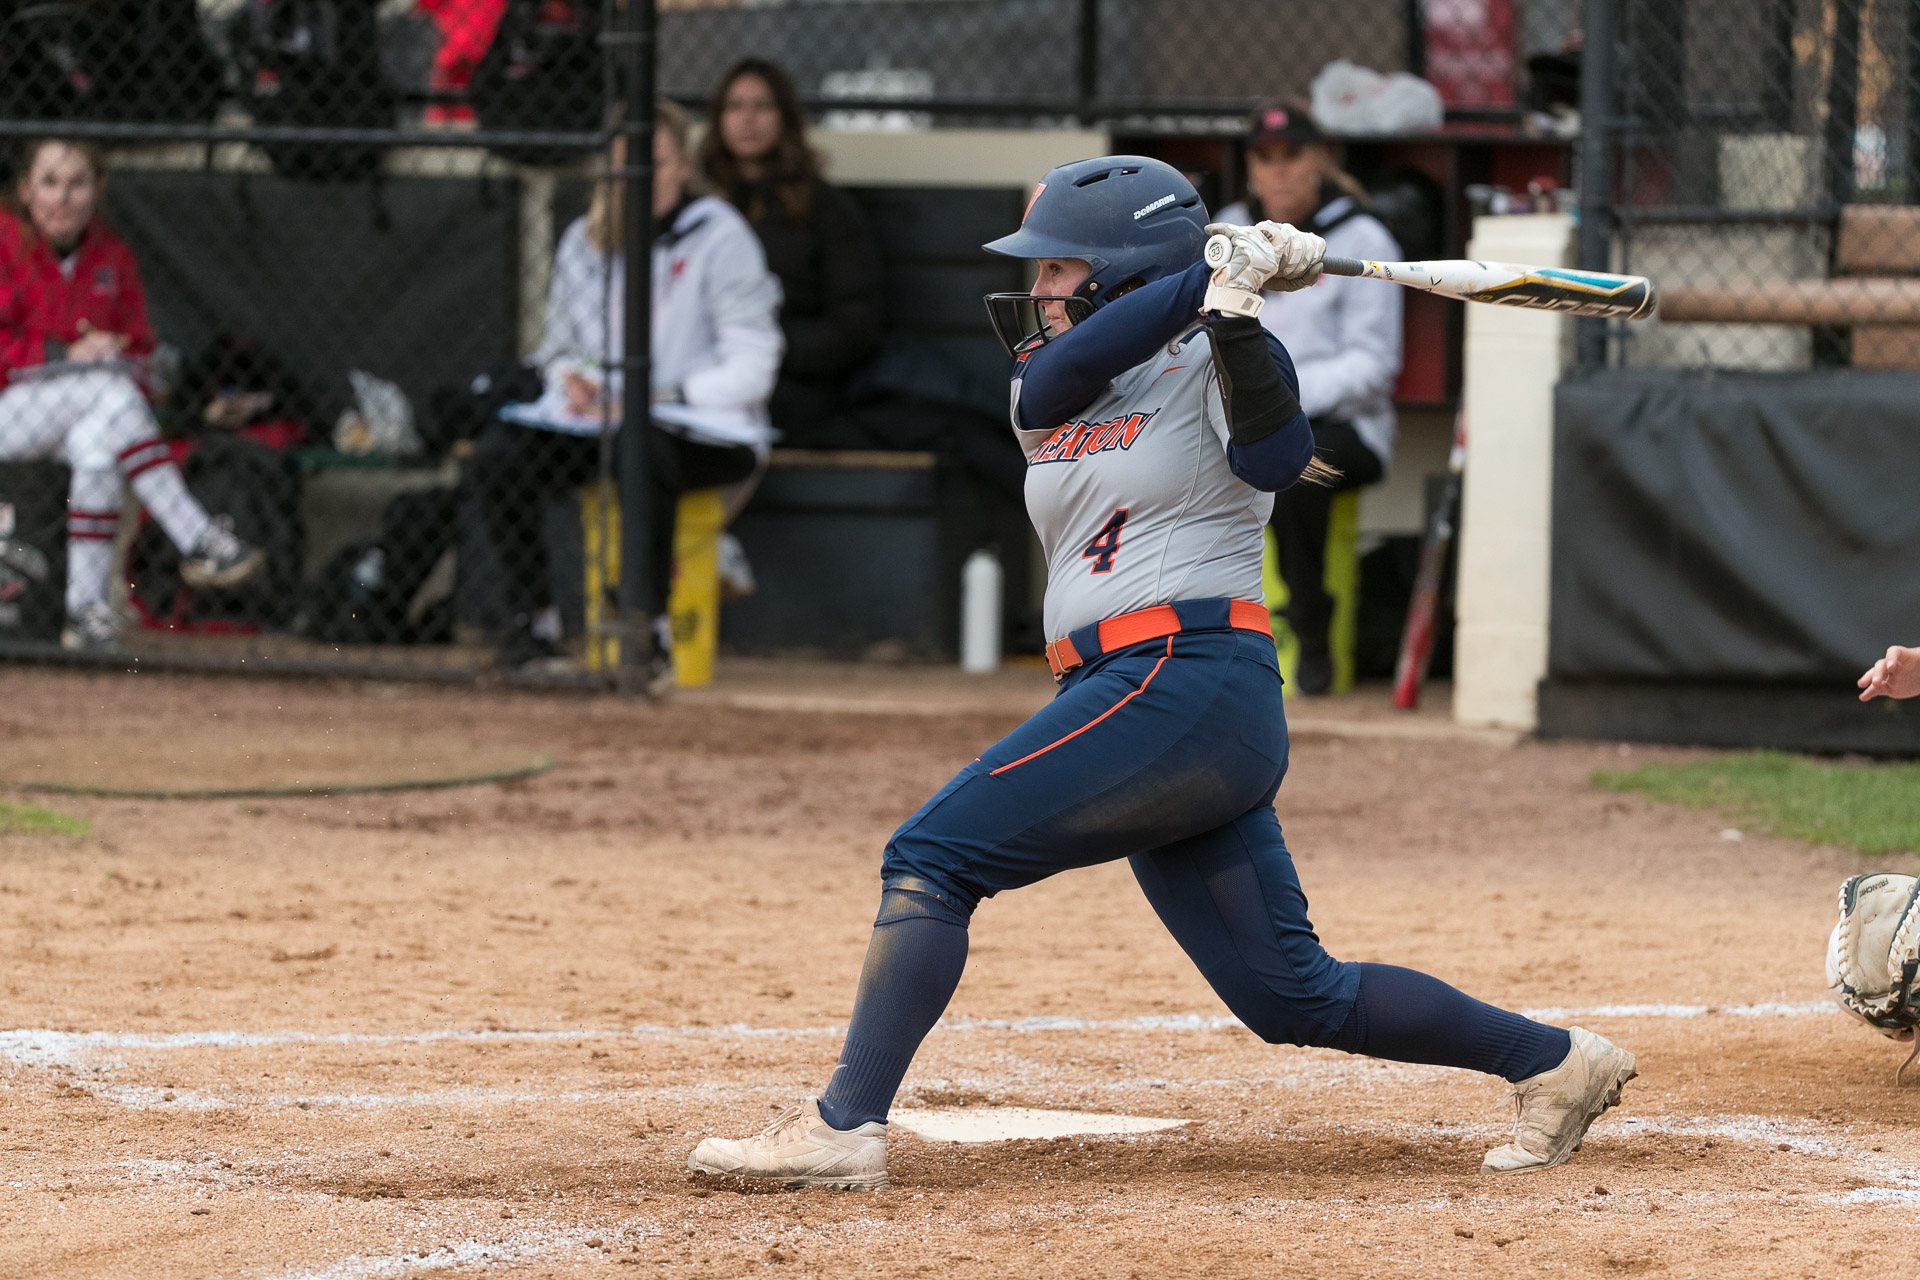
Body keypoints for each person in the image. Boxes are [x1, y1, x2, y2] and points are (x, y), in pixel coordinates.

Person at [685, 156, 1636, 1190]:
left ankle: (843, 1125)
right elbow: (1048, 381)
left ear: (1115, 273)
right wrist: (1211, 273)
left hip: (1185, 678)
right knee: (1291, 995)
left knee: (933, 854)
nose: (1037, 290)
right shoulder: (1055, 387)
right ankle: (1553, 1060)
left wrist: (1231, 313)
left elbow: (1278, 461)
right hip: (1137, 697)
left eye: (1056, 269)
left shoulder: (1230, 355)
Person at [470, 102, 782, 683]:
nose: (636, 181)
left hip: (709, 430)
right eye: (620, 169)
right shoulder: (584, 242)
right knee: (499, 456)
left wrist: (653, 397)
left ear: (682, 166)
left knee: (646, 451)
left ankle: (650, 631)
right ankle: (532, 627)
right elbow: (558, 351)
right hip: (598, 423)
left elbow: (754, 367)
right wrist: (576, 383)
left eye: (654, 164)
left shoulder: (721, 236)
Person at [0, 138, 264, 651]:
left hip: (79, 416)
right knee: (111, 394)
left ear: (98, 191)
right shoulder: (4, 242)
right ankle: (196, 535)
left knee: (100, 450)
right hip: (8, 410)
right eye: (50, 183)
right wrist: (64, 355)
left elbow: (141, 349)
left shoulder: (112, 257)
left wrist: (118, 354)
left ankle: (87, 609)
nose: (63, 198)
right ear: (26, 191)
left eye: (78, 184)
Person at [1216, 105, 1404, 695]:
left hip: (1346, 429)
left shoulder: (1362, 238)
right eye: (1265, 159)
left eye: (1292, 156)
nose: (1280, 173)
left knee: (1294, 471)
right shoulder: (1226, 234)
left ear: (1320, 158)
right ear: (1250, 167)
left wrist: (1280, 400)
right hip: (1240, 420)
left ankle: (1311, 634)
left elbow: (1374, 367)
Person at [696, 58, 885, 448]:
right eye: (734, 106)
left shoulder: (826, 209)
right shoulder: (694, 205)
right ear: (718, 118)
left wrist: (768, 348)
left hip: (794, 383)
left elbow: (855, 324)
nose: (747, 119)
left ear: (785, 116)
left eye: (762, 105)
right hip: (701, 372)